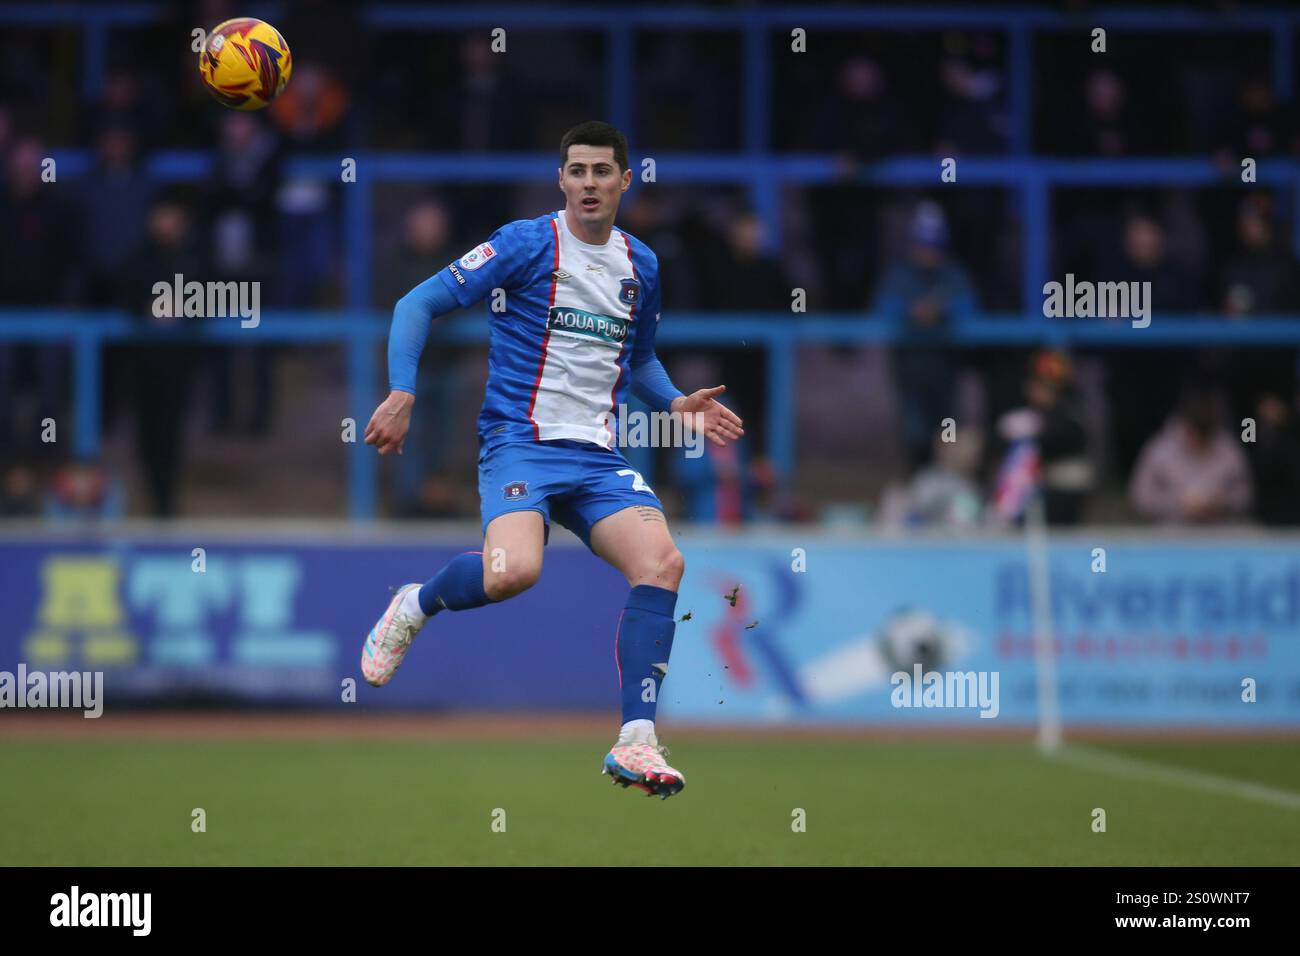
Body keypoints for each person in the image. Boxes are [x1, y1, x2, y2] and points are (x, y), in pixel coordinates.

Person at [360, 122, 744, 799]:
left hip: (597, 455)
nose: (589, 183)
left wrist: (678, 402)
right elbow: (416, 302)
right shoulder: (524, 244)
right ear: (561, 181)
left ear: (626, 181)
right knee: (514, 574)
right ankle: (414, 603)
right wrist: (401, 390)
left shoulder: (642, 265)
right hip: (521, 444)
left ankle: (637, 741)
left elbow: (641, 359)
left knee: (663, 563)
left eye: (603, 171)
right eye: (578, 171)